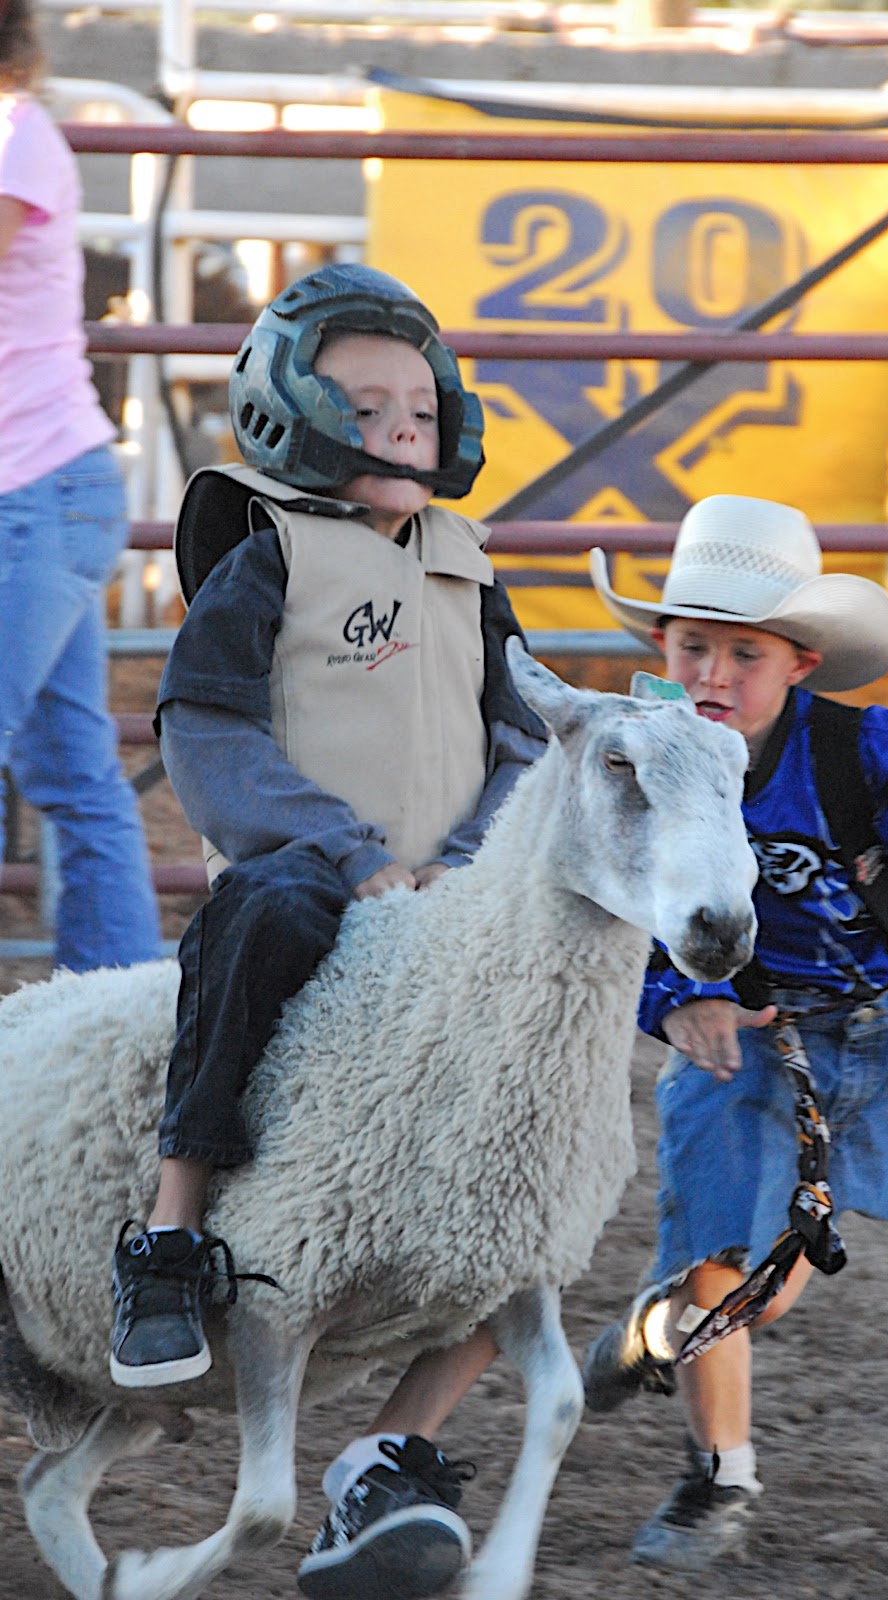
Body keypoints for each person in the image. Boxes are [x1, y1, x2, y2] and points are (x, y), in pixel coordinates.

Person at [105, 260, 548, 1600]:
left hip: (454, 899)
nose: (404, 423)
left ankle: (401, 1438)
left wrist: (472, 864)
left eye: (420, 402)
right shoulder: (267, 556)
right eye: (365, 405)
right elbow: (212, 733)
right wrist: (352, 857)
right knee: (265, 909)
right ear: (290, 413)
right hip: (307, 875)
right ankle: (170, 1232)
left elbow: (522, 737)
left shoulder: (470, 568)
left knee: (547, 1086)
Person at [583, 493, 888, 1574]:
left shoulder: (870, 751)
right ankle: (719, 1475)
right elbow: (597, 900)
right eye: (692, 646)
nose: (712, 675)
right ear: (661, 646)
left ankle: (656, 1334)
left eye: (743, 653)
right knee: (720, 1256)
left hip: (881, 1034)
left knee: (769, 1280)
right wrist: (674, 997)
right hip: (740, 1040)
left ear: (800, 662)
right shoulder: (632, 767)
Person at [0, 0, 160, 972]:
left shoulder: (15, 135)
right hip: (45, 490)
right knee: (75, 776)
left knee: (76, 780)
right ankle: (119, 1012)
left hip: (34, 493)